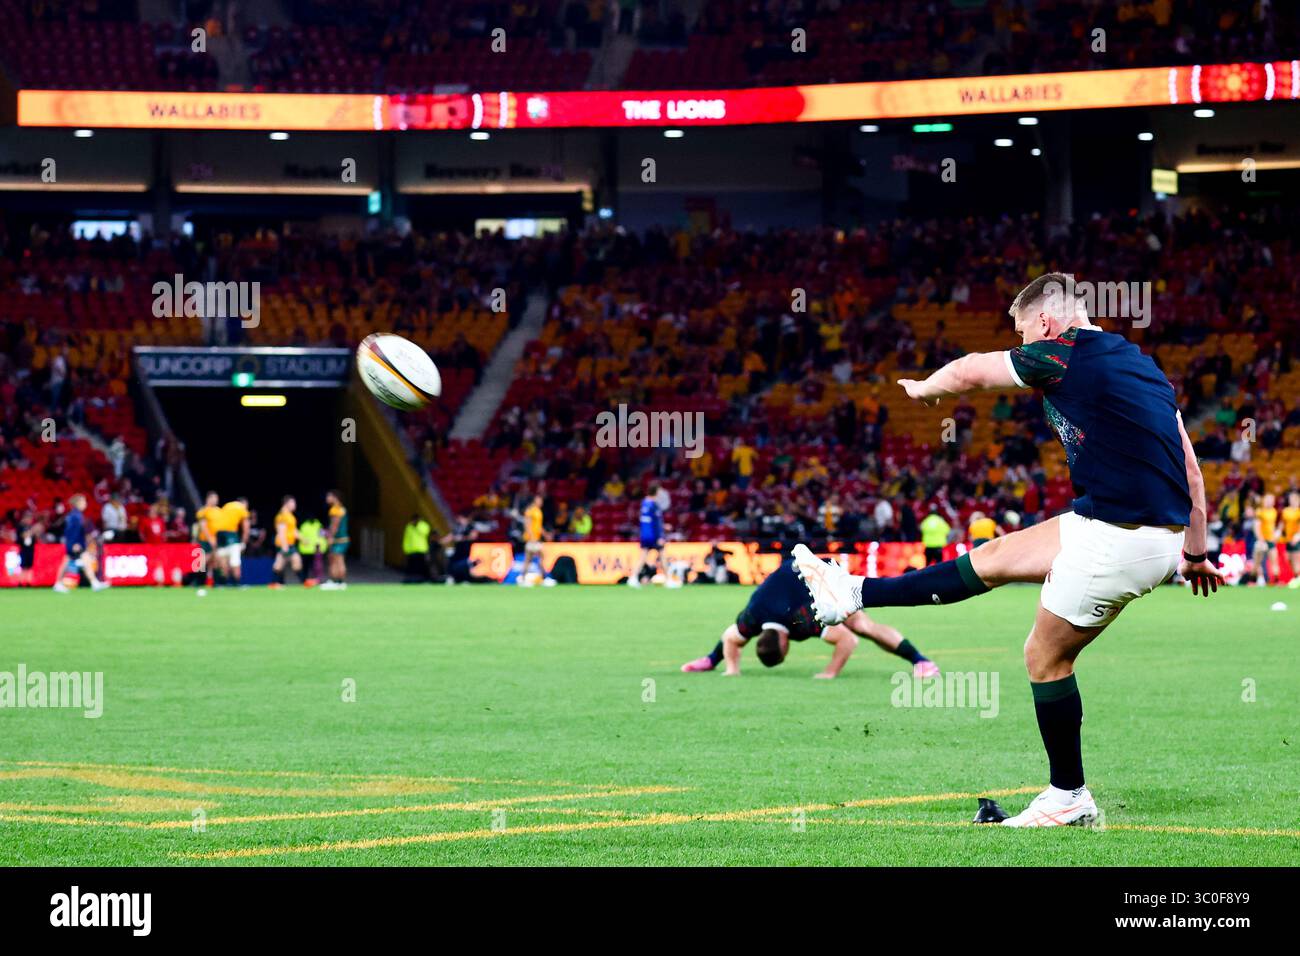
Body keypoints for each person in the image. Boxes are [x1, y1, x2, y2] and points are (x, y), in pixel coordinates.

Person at [793, 271, 1222, 828]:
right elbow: (1190, 466)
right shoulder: (1143, 365)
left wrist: (924, 389)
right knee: (992, 558)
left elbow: (971, 370)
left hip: (1121, 536)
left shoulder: (1060, 352)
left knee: (1045, 658)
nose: (1021, 342)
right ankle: (849, 590)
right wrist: (1192, 553)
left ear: (1045, 321)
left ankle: (1069, 796)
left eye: (1022, 330)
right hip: (1129, 527)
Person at [680, 561, 938, 680]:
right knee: (737, 630)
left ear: (785, 643)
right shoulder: (754, 616)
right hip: (794, 576)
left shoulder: (800, 620)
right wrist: (730, 668)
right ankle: (710, 660)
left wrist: (829, 673)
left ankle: (921, 661)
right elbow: (731, 637)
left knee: (860, 626)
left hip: (823, 576)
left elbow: (848, 641)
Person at [52, 493, 110, 593]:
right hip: (75, 543)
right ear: (78, 503)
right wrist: (74, 544)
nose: (85, 504)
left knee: (74, 561)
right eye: (84, 501)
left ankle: (94, 583)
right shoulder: (75, 516)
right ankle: (94, 583)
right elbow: (71, 531)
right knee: (70, 562)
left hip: (74, 543)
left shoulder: (75, 515)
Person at [628, 483, 664, 587]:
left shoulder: (644, 503)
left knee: (642, 557)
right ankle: (669, 579)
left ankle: (633, 578)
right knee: (662, 555)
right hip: (653, 535)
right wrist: (660, 536)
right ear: (656, 492)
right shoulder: (653, 504)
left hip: (645, 534)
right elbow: (656, 523)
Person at [214, 496, 251, 587]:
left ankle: (221, 584)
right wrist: (243, 543)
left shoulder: (227, 506)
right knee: (235, 560)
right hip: (230, 534)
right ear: (244, 503)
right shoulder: (242, 508)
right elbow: (246, 528)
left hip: (219, 534)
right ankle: (237, 583)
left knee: (223, 559)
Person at [270, 496, 303, 589]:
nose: (295, 505)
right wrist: (284, 545)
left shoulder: (290, 516)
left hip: (290, 543)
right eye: (293, 503)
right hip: (283, 544)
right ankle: (274, 583)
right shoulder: (282, 515)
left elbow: (293, 530)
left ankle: (303, 582)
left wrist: (303, 539)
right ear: (287, 503)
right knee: (279, 564)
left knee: (296, 562)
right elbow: (281, 531)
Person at [321, 490, 349, 590]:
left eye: (329, 496)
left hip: (338, 540)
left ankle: (337, 582)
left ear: (335, 497)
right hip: (342, 539)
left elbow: (334, 525)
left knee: (336, 560)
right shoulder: (342, 508)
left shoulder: (335, 509)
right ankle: (338, 582)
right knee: (336, 559)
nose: (327, 498)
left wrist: (330, 537)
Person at [402, 513, 432, 583]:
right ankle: (411, 580)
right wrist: (405, 548)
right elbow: (406, 538)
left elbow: (425, 533)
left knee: (422, 566)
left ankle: (423, 580)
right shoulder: (409, 526)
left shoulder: (423, 525)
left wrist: (416, 526)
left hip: (421, 549)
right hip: (411, 550)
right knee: (411, 567)